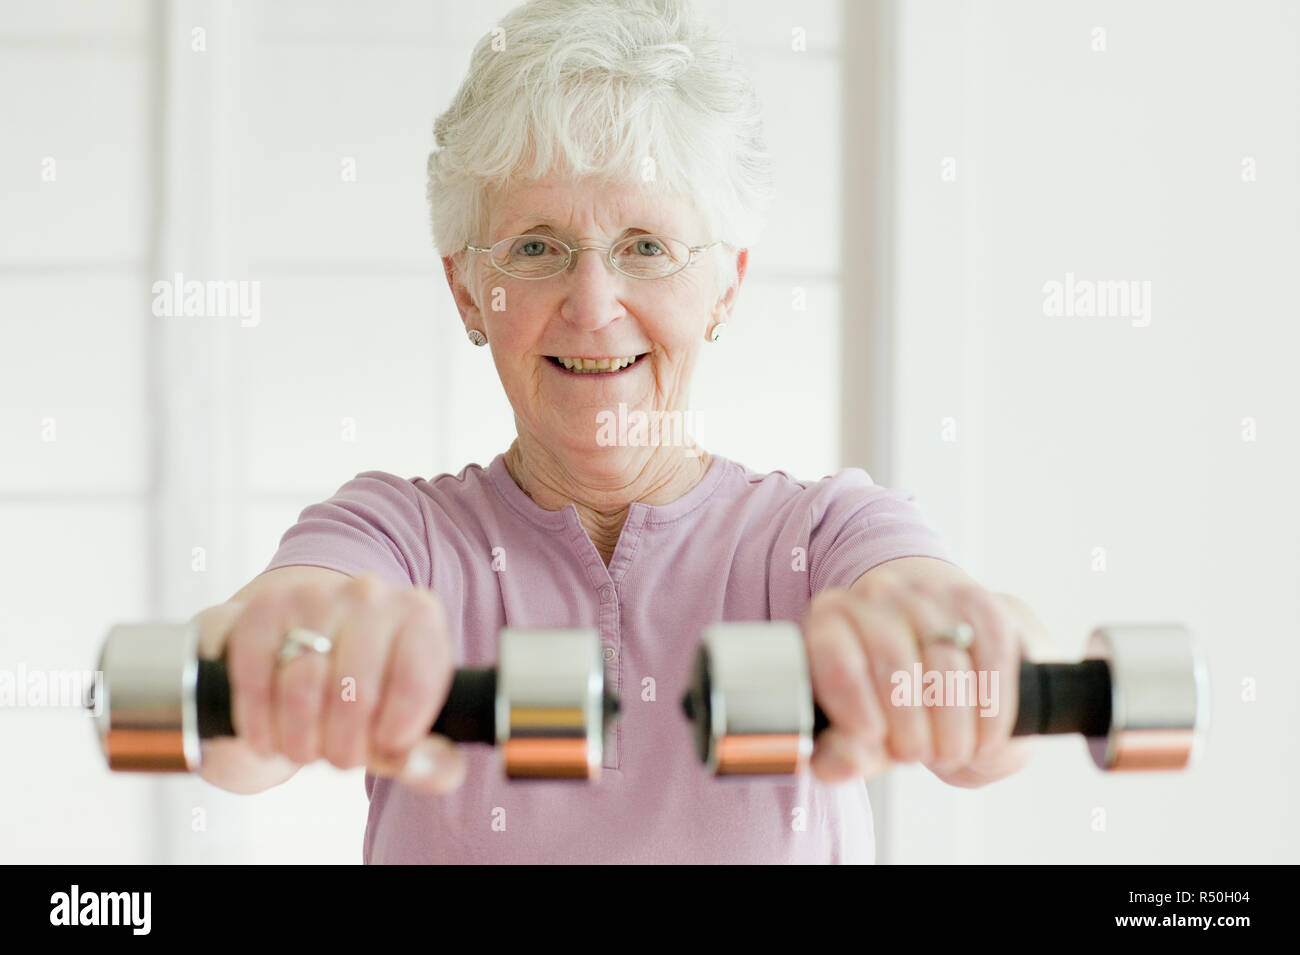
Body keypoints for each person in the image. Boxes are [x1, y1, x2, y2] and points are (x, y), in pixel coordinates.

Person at [194, 0, 1049, 863]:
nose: (594, 305)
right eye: (535, 247)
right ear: (466, 291)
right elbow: (231, 737)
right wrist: (287, 642)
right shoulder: (397, 539)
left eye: (646, 246)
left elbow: (993, 724)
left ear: (723, 285)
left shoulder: (825, 537)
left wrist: (954, 636)